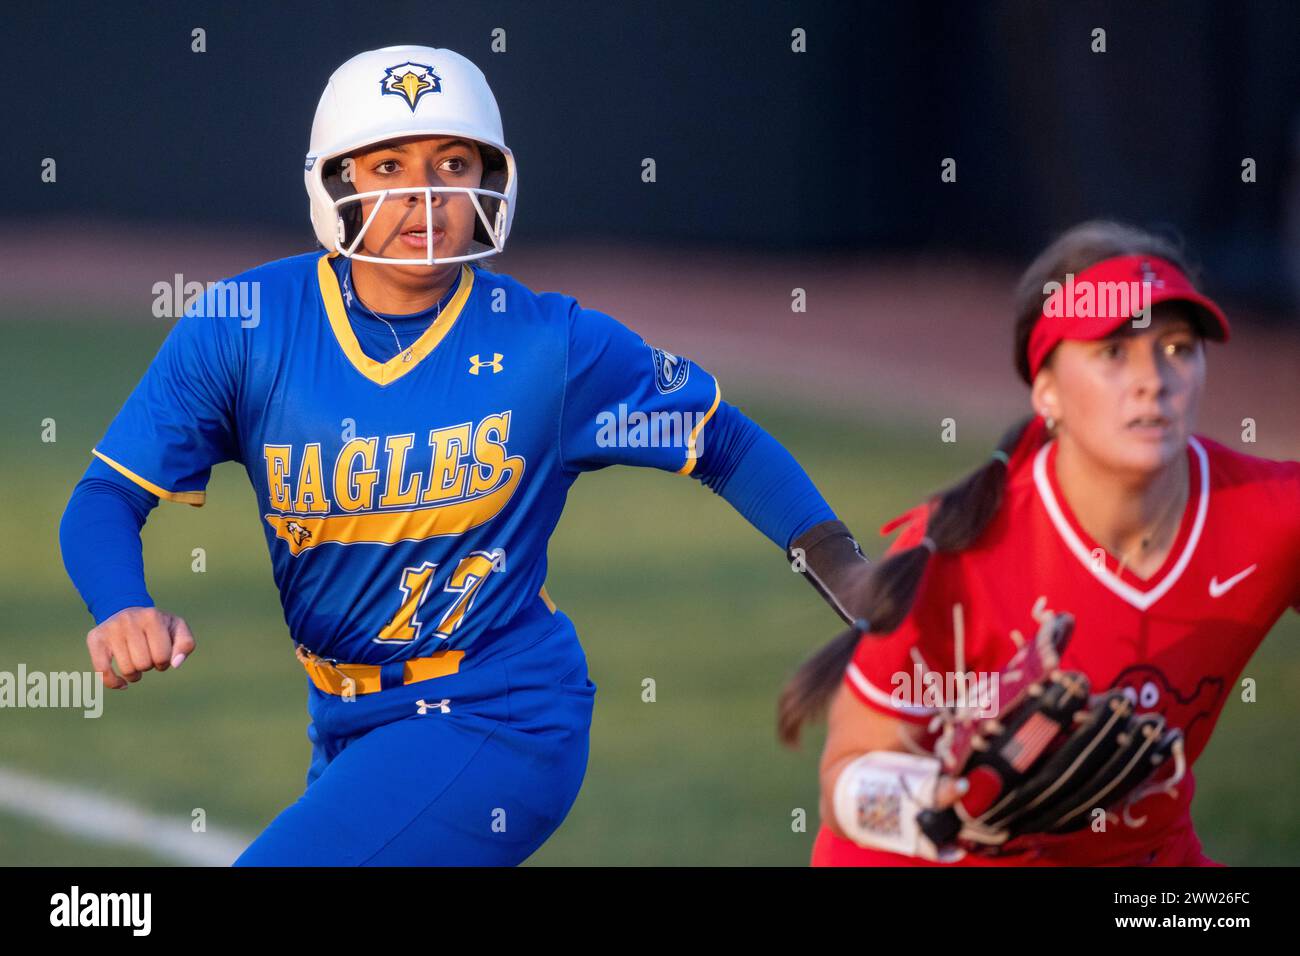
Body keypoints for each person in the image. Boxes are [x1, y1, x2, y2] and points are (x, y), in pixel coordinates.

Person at [58, 45, 873, 865]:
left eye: (453, 162)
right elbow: (106, 494)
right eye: (388, 165)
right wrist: (119, 601)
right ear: (334, 183)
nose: (426, 195)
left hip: (498, 713)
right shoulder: (247, 323)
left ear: (494, 178)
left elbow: (719, 439)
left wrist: (840, 564)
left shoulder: (548, 345)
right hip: (343, 716)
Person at [778, 220, 1300, 866]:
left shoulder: (1271, 513)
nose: (1153, 380)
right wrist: (946, 808)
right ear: (1046, 389)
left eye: (1177, 347)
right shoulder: (959, 551)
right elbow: (844, 785)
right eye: (1114, 352)